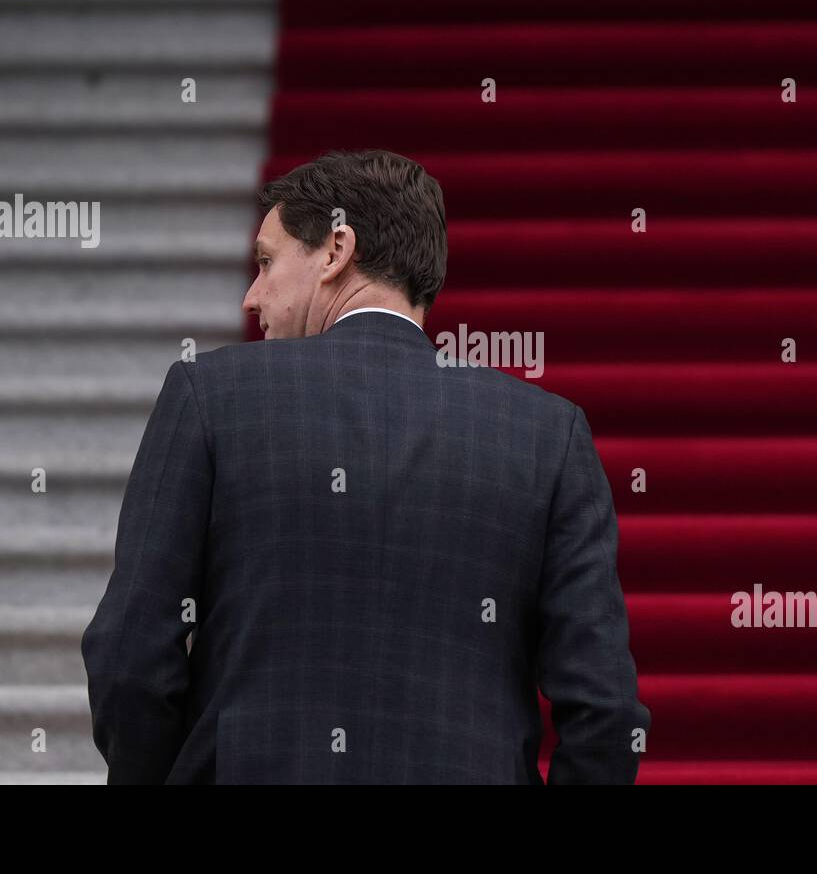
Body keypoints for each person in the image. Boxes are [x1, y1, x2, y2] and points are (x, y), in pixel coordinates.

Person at [81, 148, 650, 783]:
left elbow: (130, 661)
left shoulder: (209, 396)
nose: (251, 295)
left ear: (335, 249)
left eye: (267, 262)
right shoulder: (548, 435)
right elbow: (605, 712)